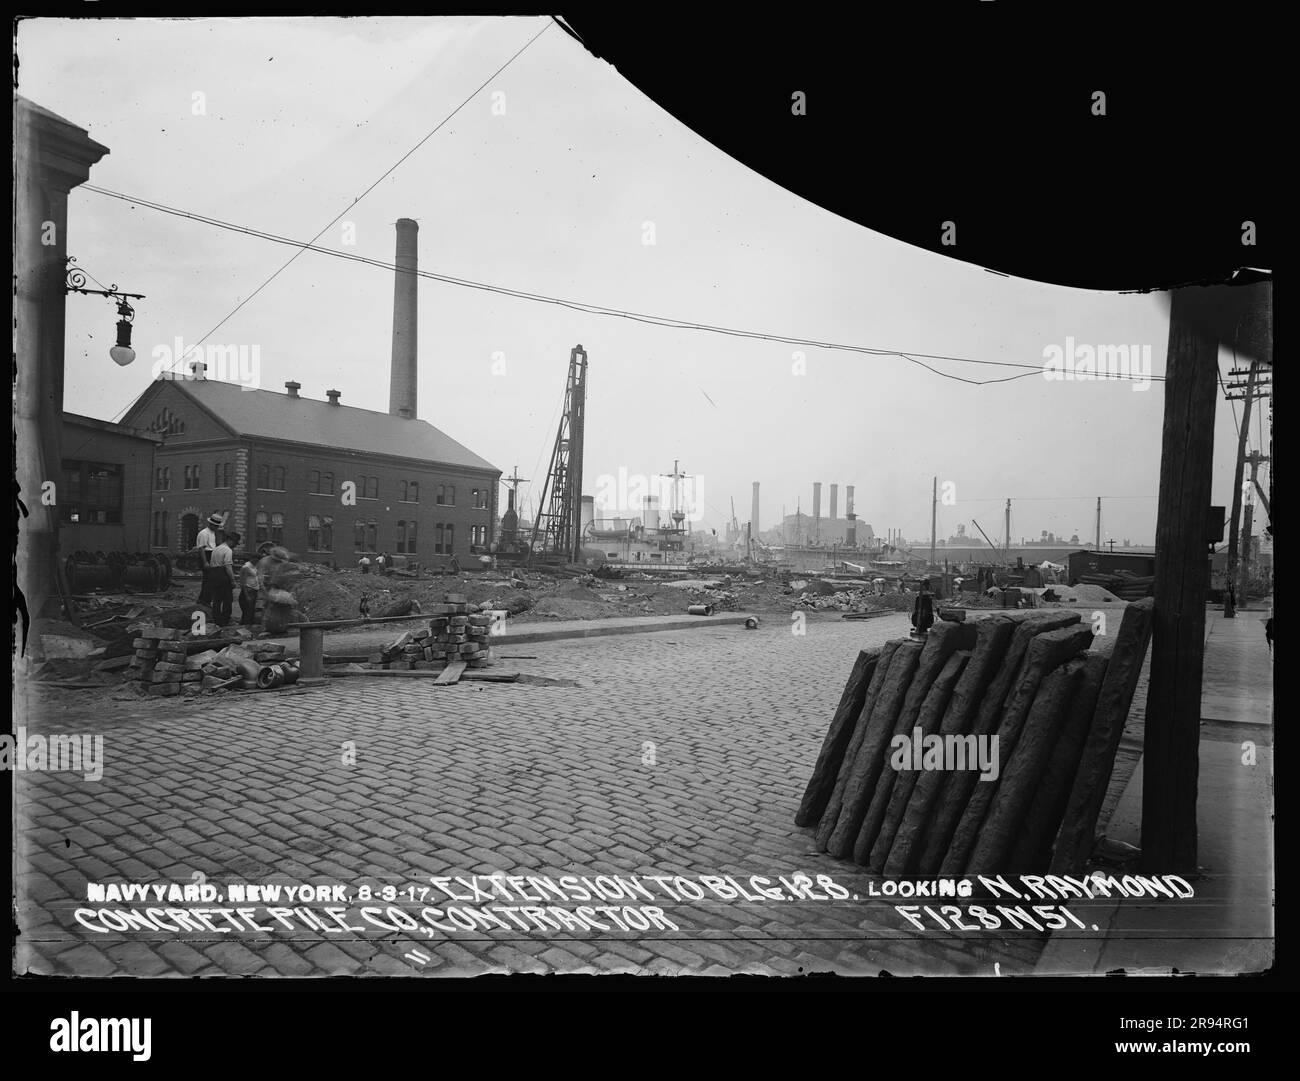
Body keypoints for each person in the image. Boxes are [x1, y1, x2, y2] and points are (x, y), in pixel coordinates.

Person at [210, 530, 238, 627]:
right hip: (223, 575)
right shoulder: (228, 550)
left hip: (214, 574)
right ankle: (225, 620)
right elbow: (228, 566)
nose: (235, 545)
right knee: (227, 599)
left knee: (217, 599)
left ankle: (216, 619)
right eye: (234, 543)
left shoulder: (216, 549)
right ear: (230, 540)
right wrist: (233, 580)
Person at [194, 512, 222, 605]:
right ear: (211, 524)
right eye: (215, 525)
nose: (217, 527)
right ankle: (205, 600)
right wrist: (205, 562)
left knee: (210, 579)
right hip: (206, 555)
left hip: (211, 555)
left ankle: (203, 599)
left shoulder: (212, 533)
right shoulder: (204, 533)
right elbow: (201, 548)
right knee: (208, 580)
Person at [238, 545, 260, 626]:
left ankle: (247, 625)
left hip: (254, 590)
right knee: (247, 611)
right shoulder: (246, 567)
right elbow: (242, 582)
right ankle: (246, 626)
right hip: (248, 590)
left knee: (250, 611)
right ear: (253, 559)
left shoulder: (254, 567)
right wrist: (246, 595)